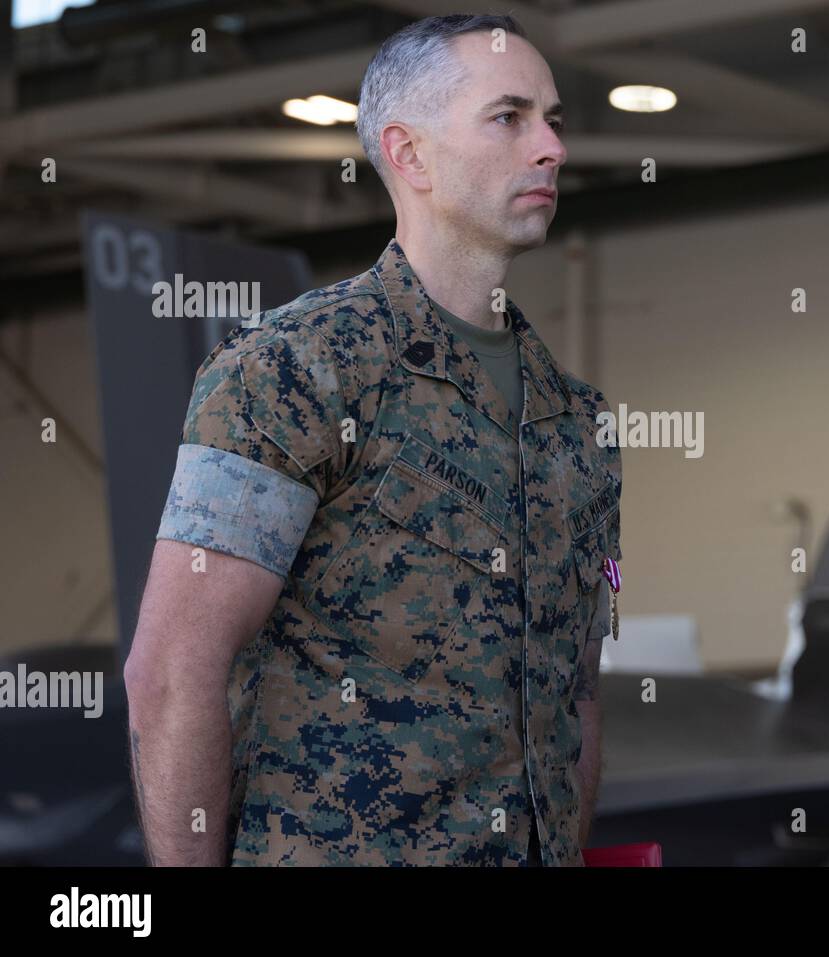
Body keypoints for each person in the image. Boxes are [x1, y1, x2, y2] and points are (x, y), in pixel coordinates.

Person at [123, 13, 622, 866]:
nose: (550, 148)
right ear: (409, 153)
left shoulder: (576, 421)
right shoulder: (294, 369)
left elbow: (576, 702)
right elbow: (172, 674)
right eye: (510, 118)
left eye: (554, 120)